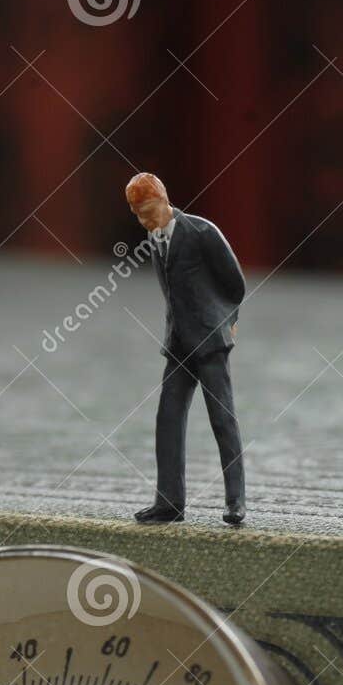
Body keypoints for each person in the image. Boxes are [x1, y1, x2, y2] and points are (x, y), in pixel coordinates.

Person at [126, 172, 247, 527]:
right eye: (138, 215)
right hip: (178, 343)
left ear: (164, 199)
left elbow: (234, 283)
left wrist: (227, 321)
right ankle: (169, 502)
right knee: (168, 418)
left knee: (222, 419)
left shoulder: (202, 232)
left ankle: (235, 501)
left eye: (149, 210)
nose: (146, 220)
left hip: (210, 341)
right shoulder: (155, 239)